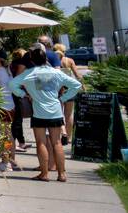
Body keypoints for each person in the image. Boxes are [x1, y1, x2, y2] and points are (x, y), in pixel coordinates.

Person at [10, 46, 82, 182]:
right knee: (56, 142)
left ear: (32, 60)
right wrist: (63, 98)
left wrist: (24, 94)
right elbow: (76, 85)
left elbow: (12, 84)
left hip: (39, 112)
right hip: (55, 110)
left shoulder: (29, 73)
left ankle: (44, 173)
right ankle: (62, 174)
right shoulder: (56, 72)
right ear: (46, 59)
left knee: (41, 142)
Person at [53, 43, 83, 144]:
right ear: (64, 51)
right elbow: (77, 75)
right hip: (69, 90)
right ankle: (69, 137)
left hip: (57, 90)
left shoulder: (52, 61)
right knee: (69, 114)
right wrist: (83, 85)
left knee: (58, 114)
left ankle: (60, 134)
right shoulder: (69, 61)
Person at [8, 49, 30, 152]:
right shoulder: (21, 64)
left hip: (14, 92)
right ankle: (15, 143)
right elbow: (19, 79)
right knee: (17, 119)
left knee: (17, 118)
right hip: (18, 92)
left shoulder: (12, 64)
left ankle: (20, 142)